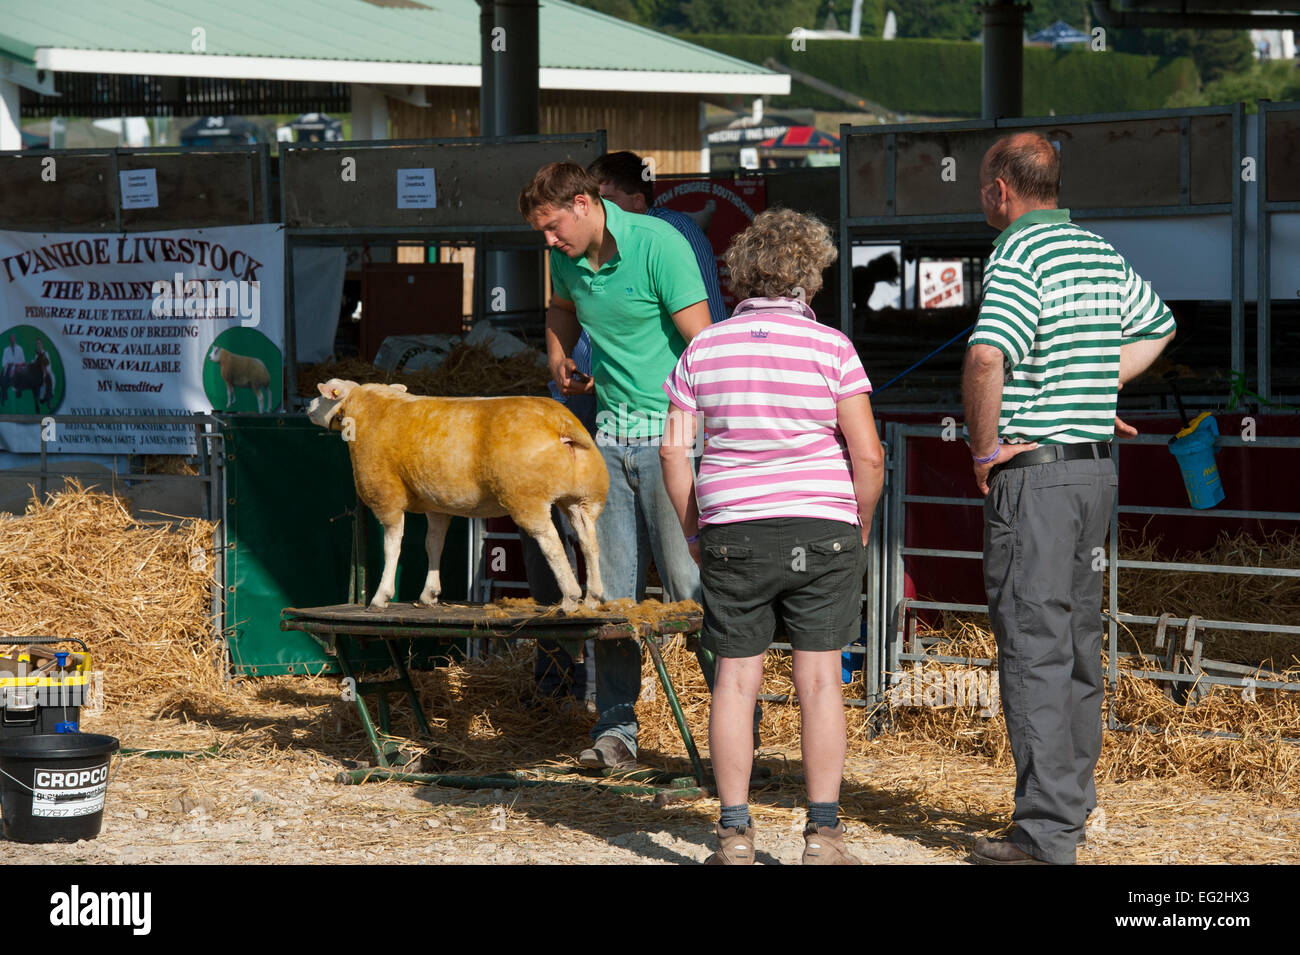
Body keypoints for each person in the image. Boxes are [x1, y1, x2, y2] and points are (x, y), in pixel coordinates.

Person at [962, 133, 1175, 865]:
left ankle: (1045, 831)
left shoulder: (1019, 253)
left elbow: (988, 353)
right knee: (1080, 642)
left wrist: (982, 450)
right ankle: (1072, 805)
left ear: (1001, 189)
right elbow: (1157, 323)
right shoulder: (1095, 249)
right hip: (1094, 473)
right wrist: (1094, 385)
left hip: (1038, 477)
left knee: (1033, 643)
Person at [661, 208, 884, 865]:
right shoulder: (833, 349)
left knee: (735, 680)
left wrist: (693, 525)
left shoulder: (703, 349)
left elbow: (675, 451)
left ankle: (733, 832)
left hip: (734, 527)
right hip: (822, 524)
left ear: (739, 276)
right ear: (808, 279)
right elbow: (867, 455)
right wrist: (859, 518)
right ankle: (822, 834)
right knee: (820, 681)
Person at [519, 161, 713, 771]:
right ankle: (616, 731)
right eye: (541, 234)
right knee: (611, 595)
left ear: (584, 202)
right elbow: (559, 310)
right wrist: (558, 359)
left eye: (553, 227)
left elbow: (704, 349)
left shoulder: (659, 245)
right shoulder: (565, 257)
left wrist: (681, 441)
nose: (549, 241)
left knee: (690, 589)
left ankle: (737, 724)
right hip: (608, 440)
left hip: (672, 437)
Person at [587, 151, 728, 325]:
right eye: (591, 200)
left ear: (638, 201)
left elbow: (708, 315)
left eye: (605, 199)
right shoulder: (588, 239)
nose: (595, 208)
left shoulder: (677, 230)